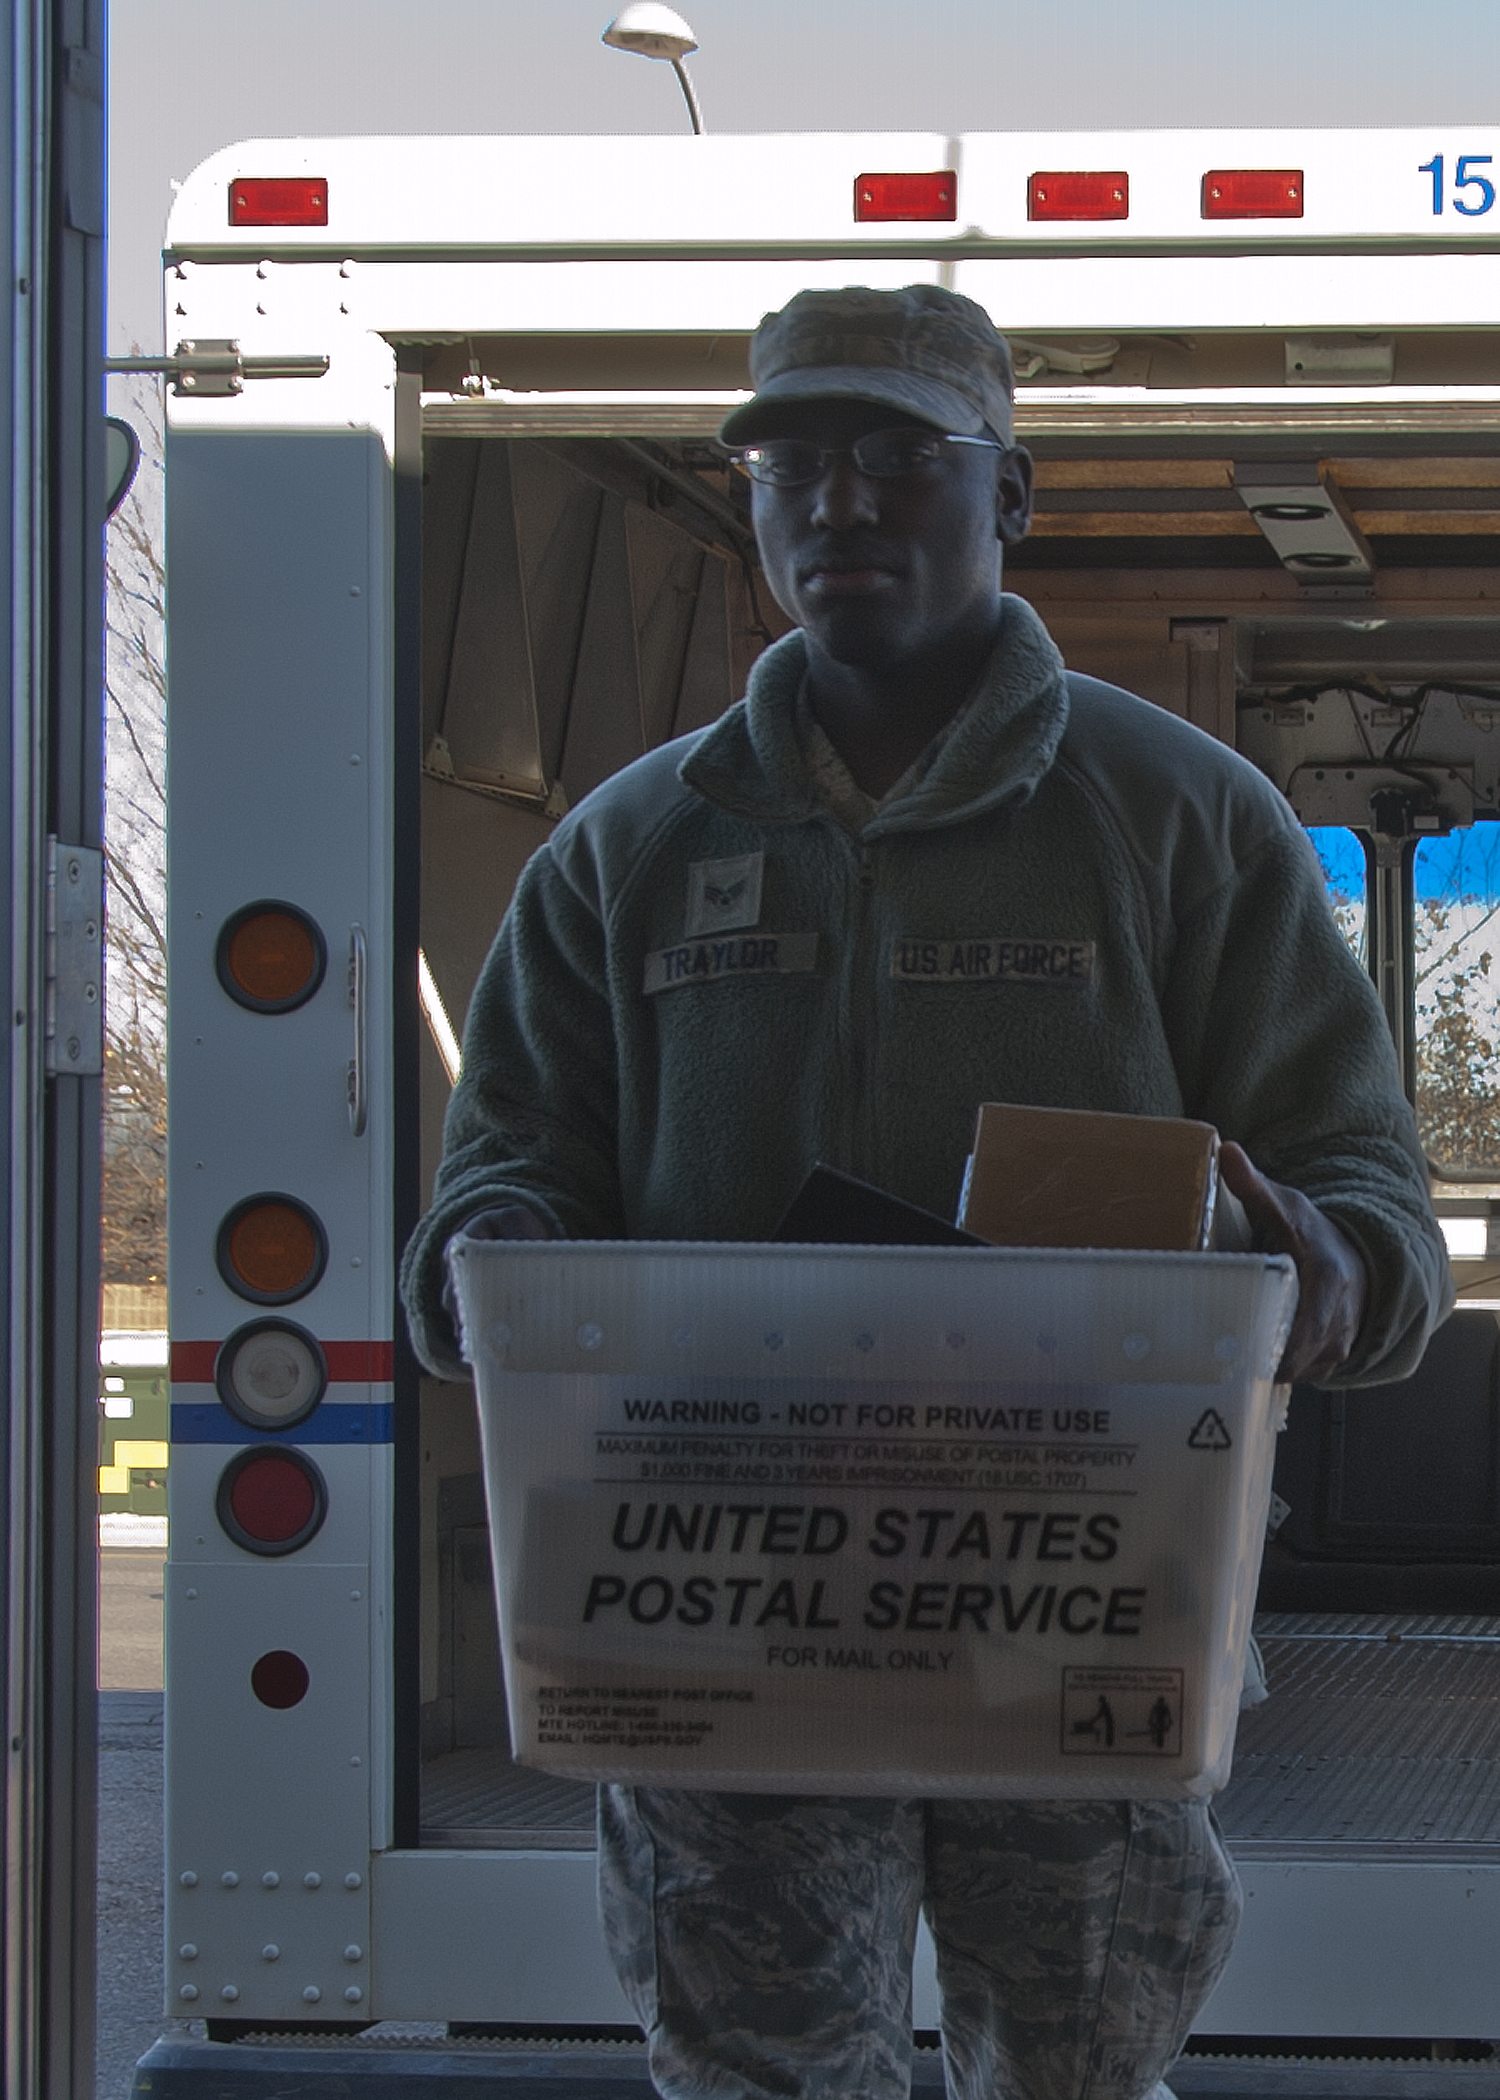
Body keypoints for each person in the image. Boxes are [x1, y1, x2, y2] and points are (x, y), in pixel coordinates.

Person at [402, 284, 1451, 2100]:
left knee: (1072, 2079)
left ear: (1012, 494)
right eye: (794, 463)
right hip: (725, 1626)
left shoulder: (1179, 816)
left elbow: (1378, 1217)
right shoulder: (628, 852)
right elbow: (491, 1191)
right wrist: (494, 1261)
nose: (842, 502)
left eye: (902, 455)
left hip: (1078, 1618)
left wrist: (1309, 1269)